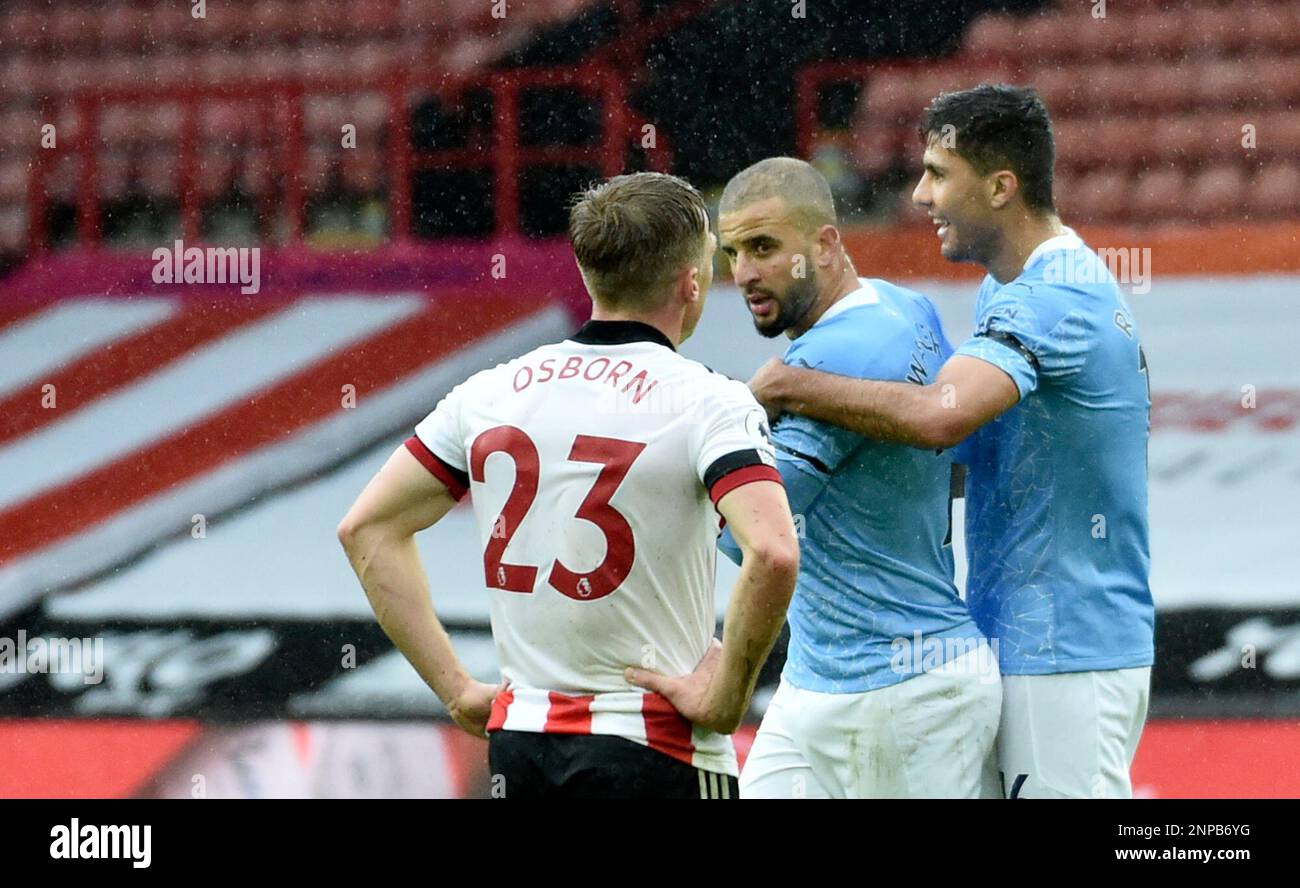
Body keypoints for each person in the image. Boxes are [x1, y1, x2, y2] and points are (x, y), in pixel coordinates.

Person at [748, 86, 1154, 799]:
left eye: (938, 173)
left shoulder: (1052, 297)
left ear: (1001, 187)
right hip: (1025, 637)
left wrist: (790, 388)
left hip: (1068, 645)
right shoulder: (1017, 288)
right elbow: (959, 459)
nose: (919, 195)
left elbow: (940, 418)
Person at [338, 172, 799, 799]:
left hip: (522, 746)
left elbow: (366, 527)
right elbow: (772, 551)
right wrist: (724, 699)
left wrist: (454, 687)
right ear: (691, 282)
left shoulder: (489, 391)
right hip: (654, 746)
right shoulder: (711, 402)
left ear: (589, 275)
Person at [716, 157, 1000, 799]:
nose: (744, 274)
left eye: (764, 247)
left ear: (825, 243)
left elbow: (753, 537)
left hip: (902, 696)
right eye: (732, 252)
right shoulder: (906, 305)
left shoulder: (826, 357)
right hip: (823, 679)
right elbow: (956, 461)